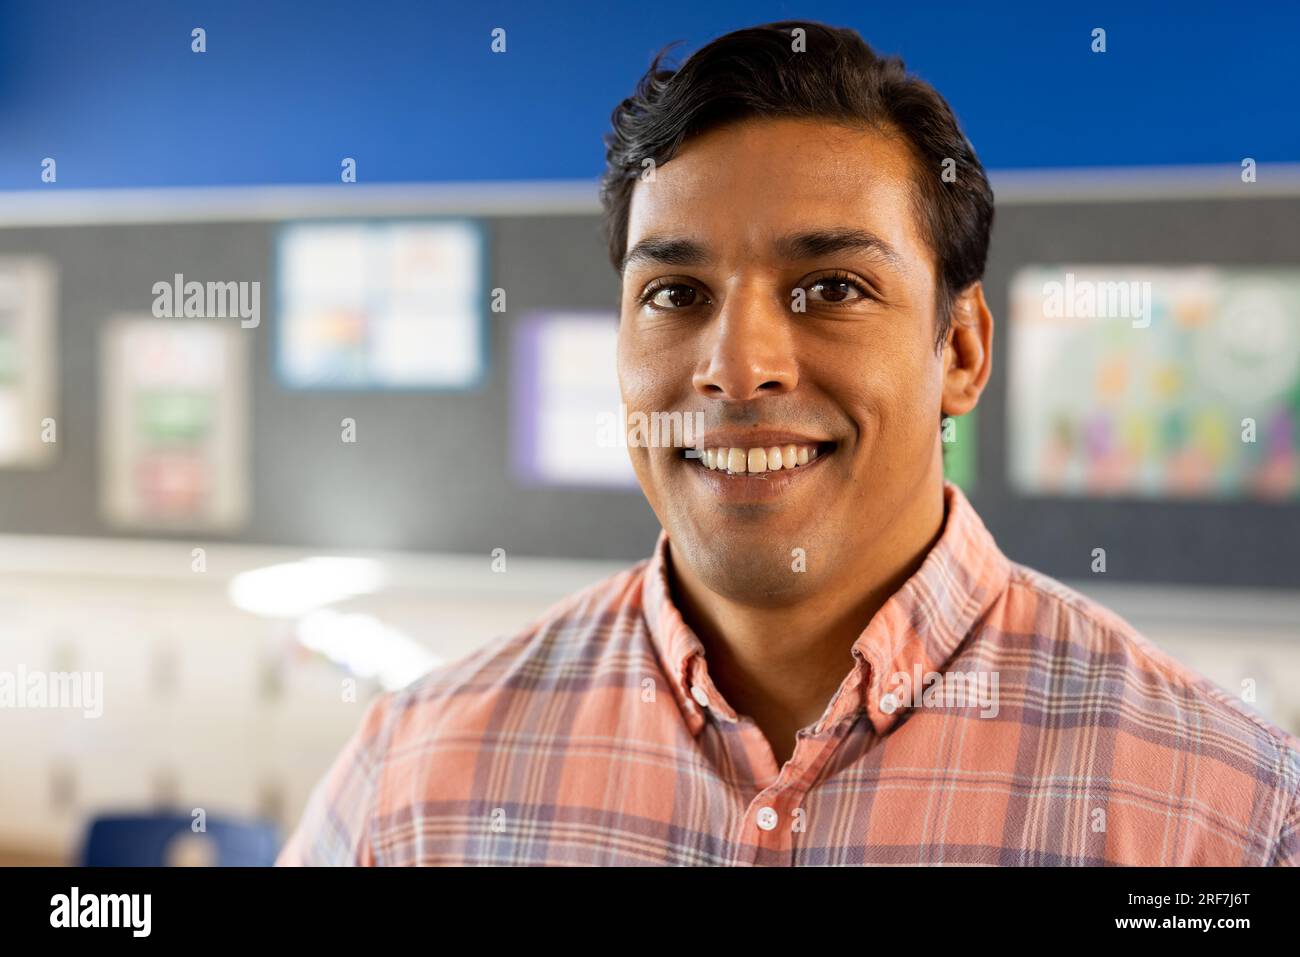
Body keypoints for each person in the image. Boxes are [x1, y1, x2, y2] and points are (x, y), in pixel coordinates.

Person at [278, 21, 1299, 866]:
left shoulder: (1221, 816)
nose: (737, 366)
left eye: (831, 288)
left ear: (961, 349)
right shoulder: (415, 781)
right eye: (674, 294)